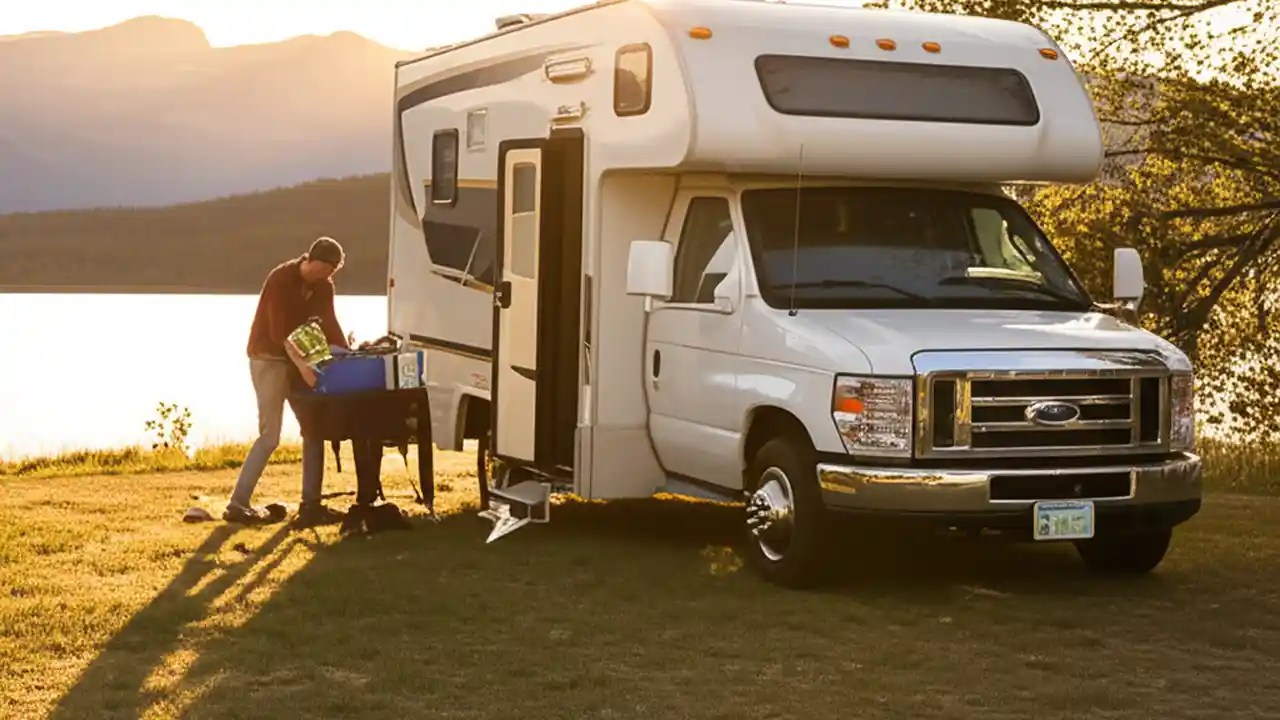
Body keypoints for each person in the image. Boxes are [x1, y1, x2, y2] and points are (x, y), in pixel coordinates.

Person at [224, 236, 350, 527]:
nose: (326, 276)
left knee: (314, 429)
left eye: (332, 272)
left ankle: (311, 506)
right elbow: (278, 330)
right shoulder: (281, 278)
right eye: (325, 269)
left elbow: (328, 322)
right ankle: (237, 504)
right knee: (270, 436)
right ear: (312, 260)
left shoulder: (324, 287)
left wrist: (346, 354)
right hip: (268, 358)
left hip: (300, 361)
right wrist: (304, 368)